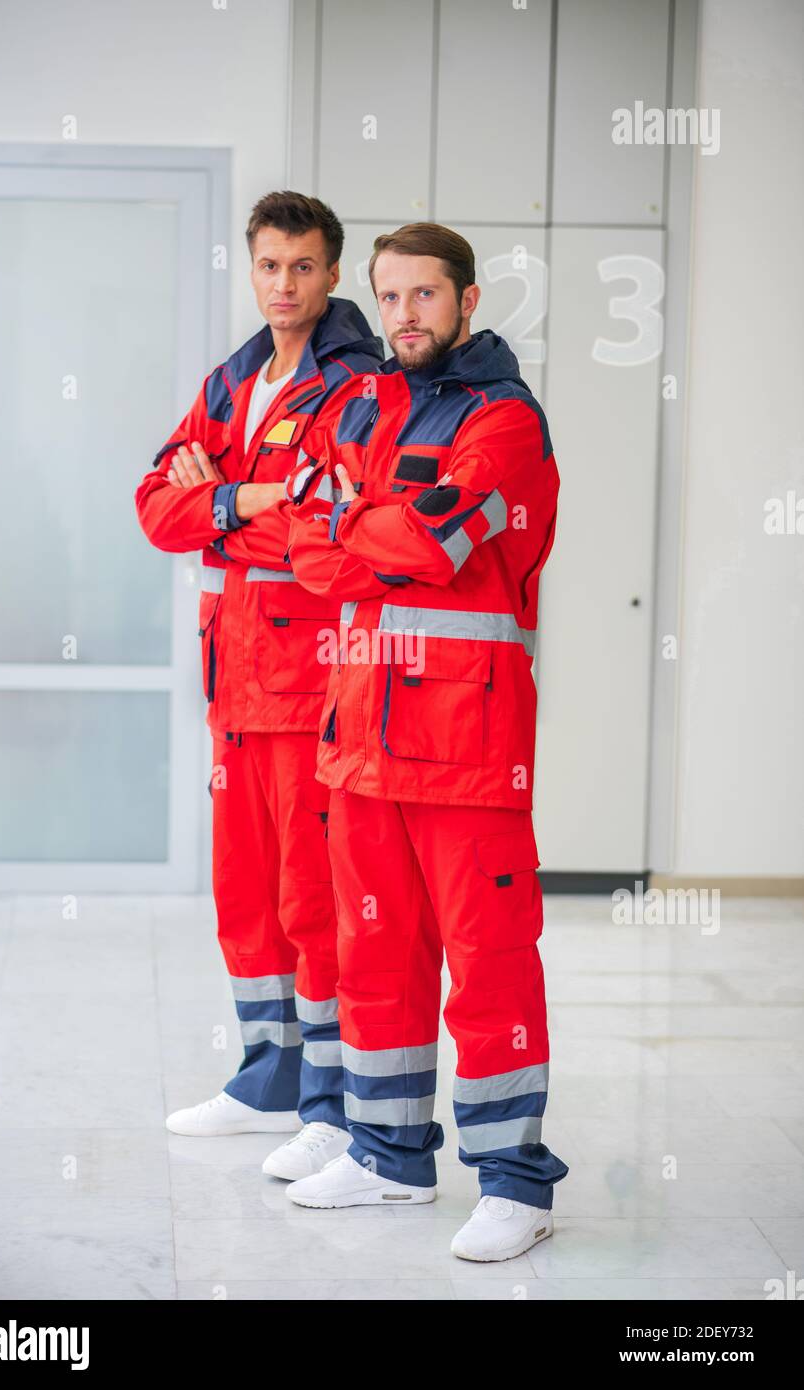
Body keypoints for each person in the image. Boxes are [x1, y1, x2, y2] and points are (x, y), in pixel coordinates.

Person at [281, 222, 569, 1260]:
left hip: (465, 744)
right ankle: (389, 1155)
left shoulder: (505, 422)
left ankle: (514, 1181)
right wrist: (360, 529)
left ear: (467, 300)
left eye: (423, 296)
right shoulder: (363, 404)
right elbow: (298, 538)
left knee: (487, 964)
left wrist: (358, 524)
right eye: (388, 296)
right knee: (374, 954)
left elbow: (435, 541)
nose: (403, 315)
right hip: (357, 738)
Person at [134, 191, 383, 1180]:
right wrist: (241, 493)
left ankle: (328, 1101)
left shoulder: (352, 385)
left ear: (331, 273)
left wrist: (215, 501)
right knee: (244, 894)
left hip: (312, 680)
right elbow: (156, 503)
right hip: (234, 679)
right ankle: (265, 1075)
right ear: (251, 267)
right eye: (268, 267)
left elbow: (329, 524)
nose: (283, 287)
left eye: (303, 268)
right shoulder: (236, 376)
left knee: (313, 896)